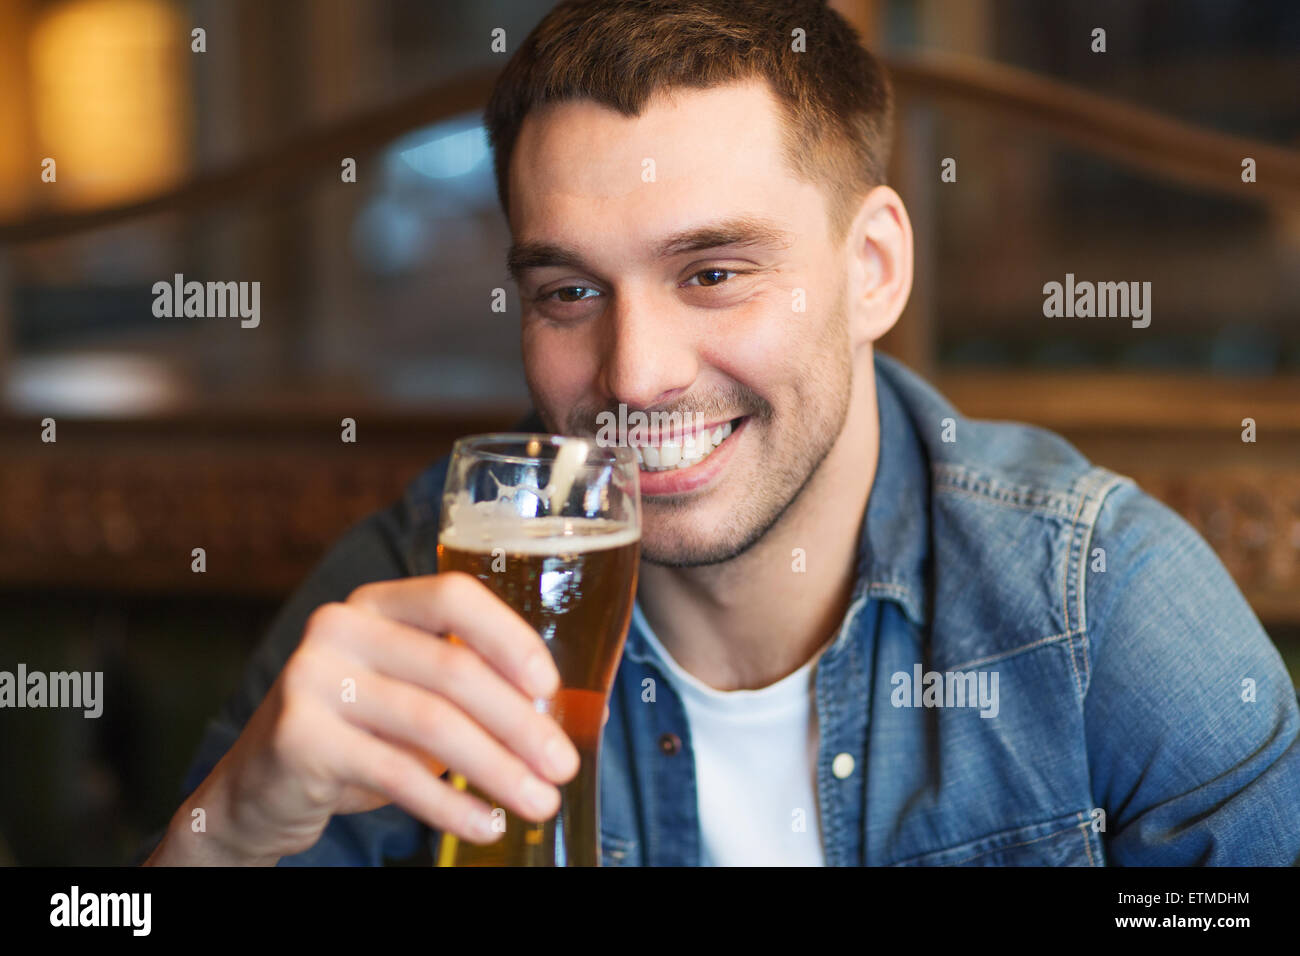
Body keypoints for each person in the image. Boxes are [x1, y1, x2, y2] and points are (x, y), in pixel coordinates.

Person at [140, 0, 1299, 867]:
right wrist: (225, 828)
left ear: (874, 269)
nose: (635, 374)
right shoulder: (420, 589)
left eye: (713, 271)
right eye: (568, 292)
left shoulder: (1098, 605)